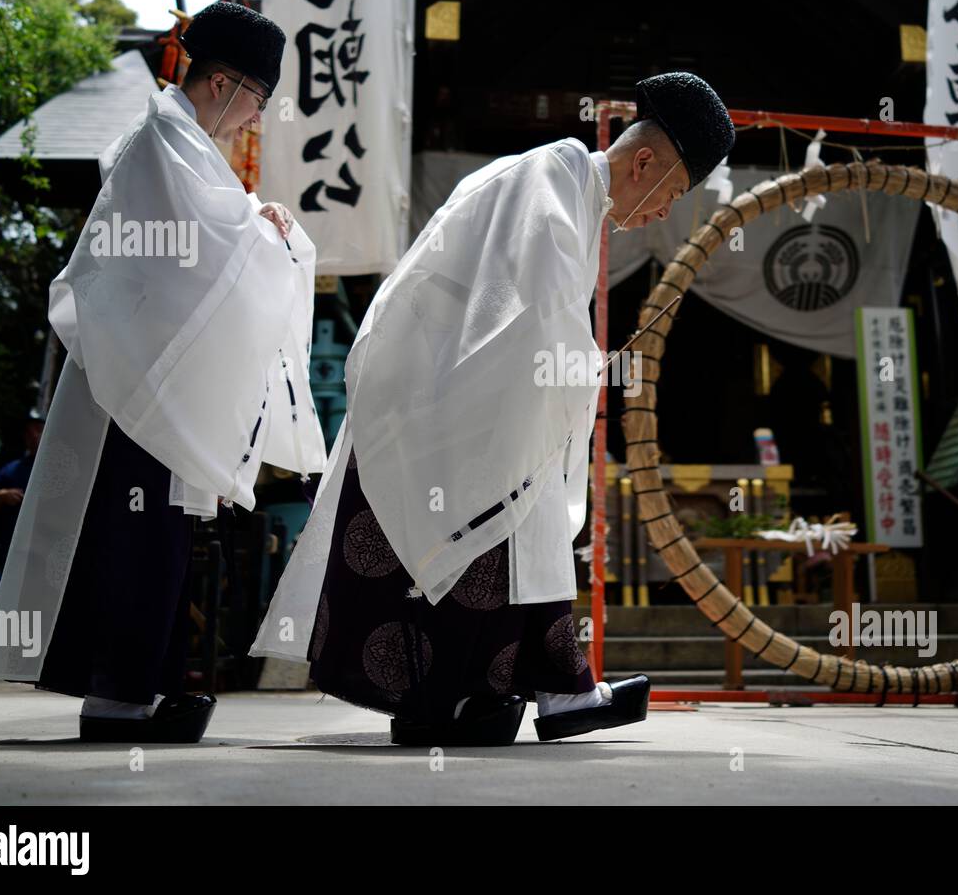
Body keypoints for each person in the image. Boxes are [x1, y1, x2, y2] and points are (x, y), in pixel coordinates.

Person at [253, 72, 735, 745]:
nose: (664, 213)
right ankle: (458, 702)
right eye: (674, 193)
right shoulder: (556, 175)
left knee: (517, 518)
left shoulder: (567, 188)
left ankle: (535, 692)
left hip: (449, 384)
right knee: (489, 524)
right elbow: (530, 312)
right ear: (645, 162)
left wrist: (572, 374)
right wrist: (585, 371)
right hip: (434, 395)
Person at [0, 2, 327, 744]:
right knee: (134, 537)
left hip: (151, 384)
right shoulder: (164, 140)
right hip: (139, 391)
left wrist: (256, 226)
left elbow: (208, 248)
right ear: (224, 82)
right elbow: (190, 263)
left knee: (155, 538)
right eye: (256, 102)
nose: (253, 120)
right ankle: (120, 698)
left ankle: (145, 690)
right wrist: (262, 235)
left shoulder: (182, 147)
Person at [0, 413, 45, 594]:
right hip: (11, 547)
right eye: (29, 431)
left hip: (45, 547)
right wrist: (1, 495)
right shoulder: (12, 469)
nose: (34, 435)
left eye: (39, 430)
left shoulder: (58, 466)